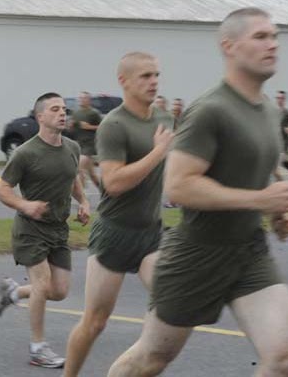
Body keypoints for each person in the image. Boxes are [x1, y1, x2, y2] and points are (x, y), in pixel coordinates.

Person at [107, 8, 288, 377]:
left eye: (275, 36)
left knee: (284, 360)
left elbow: (253, 177)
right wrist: (259, 201)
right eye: (261, 36)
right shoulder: (210, 110)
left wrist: (279, 212)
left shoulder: (269, 112)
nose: (273, 44)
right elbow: (179, 185)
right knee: (149, 359)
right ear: (229, 46)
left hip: (249, 252)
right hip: (196, 255)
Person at [63, 52, 174, 376]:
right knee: (95, 322)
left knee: (172, 302)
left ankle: (133, 367)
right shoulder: (114, 125)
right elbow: (112, 183)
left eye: (156, 75)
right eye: (145, 76)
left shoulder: (165, 120)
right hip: (114, 235)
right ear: (123, 81)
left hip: (151, 235)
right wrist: (158, 152)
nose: (154, 82)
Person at [0, 92, 90, 369]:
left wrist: (83, 202)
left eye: (64, 109)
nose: (62, 113)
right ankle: (38, 348)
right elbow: (2, 190)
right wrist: (25, 205)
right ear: (40, 117)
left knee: (59, 291)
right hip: (30, 229)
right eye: (55, 109)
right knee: (42, 283)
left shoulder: (72, 147)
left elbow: (73, 179)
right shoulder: (25, 153)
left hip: (58, 229)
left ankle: (13, 293)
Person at [71, 91, 101, 190]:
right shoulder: (76, 113)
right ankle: (105, 192)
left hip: (90, 145)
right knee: (92, 175)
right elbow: (72, 130)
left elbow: (103, 127)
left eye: (84, 98)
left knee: (80, 168)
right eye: (80, 98)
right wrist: (70, 126)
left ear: (89, 100)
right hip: (80, 144)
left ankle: (82, 196)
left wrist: (89, 127)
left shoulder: (94, 113)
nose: (81, 100)